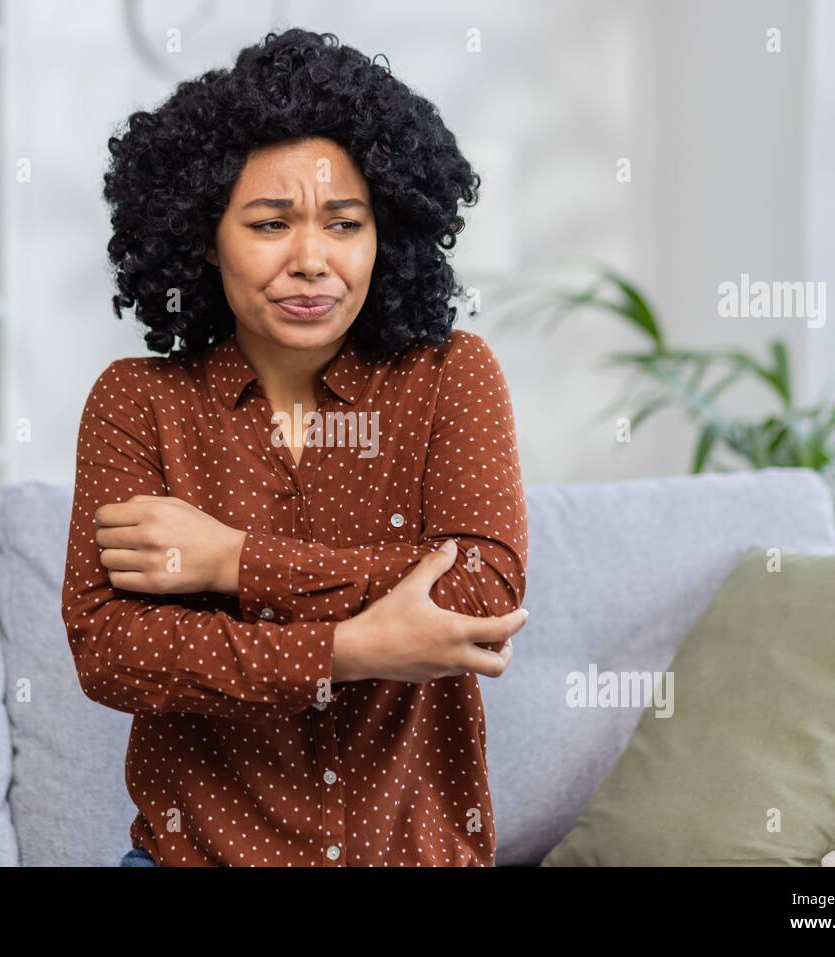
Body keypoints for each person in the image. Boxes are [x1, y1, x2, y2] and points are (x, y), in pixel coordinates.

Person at [63, 28, 529, 867]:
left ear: (385, 232)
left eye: (344, 223)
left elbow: (480, 590)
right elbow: (112, 651)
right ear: (206, 238)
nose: (312, 261)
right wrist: (354, 648)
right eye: (270, 224)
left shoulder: (451, 376)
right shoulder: (138, 403)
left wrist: (232, 563)